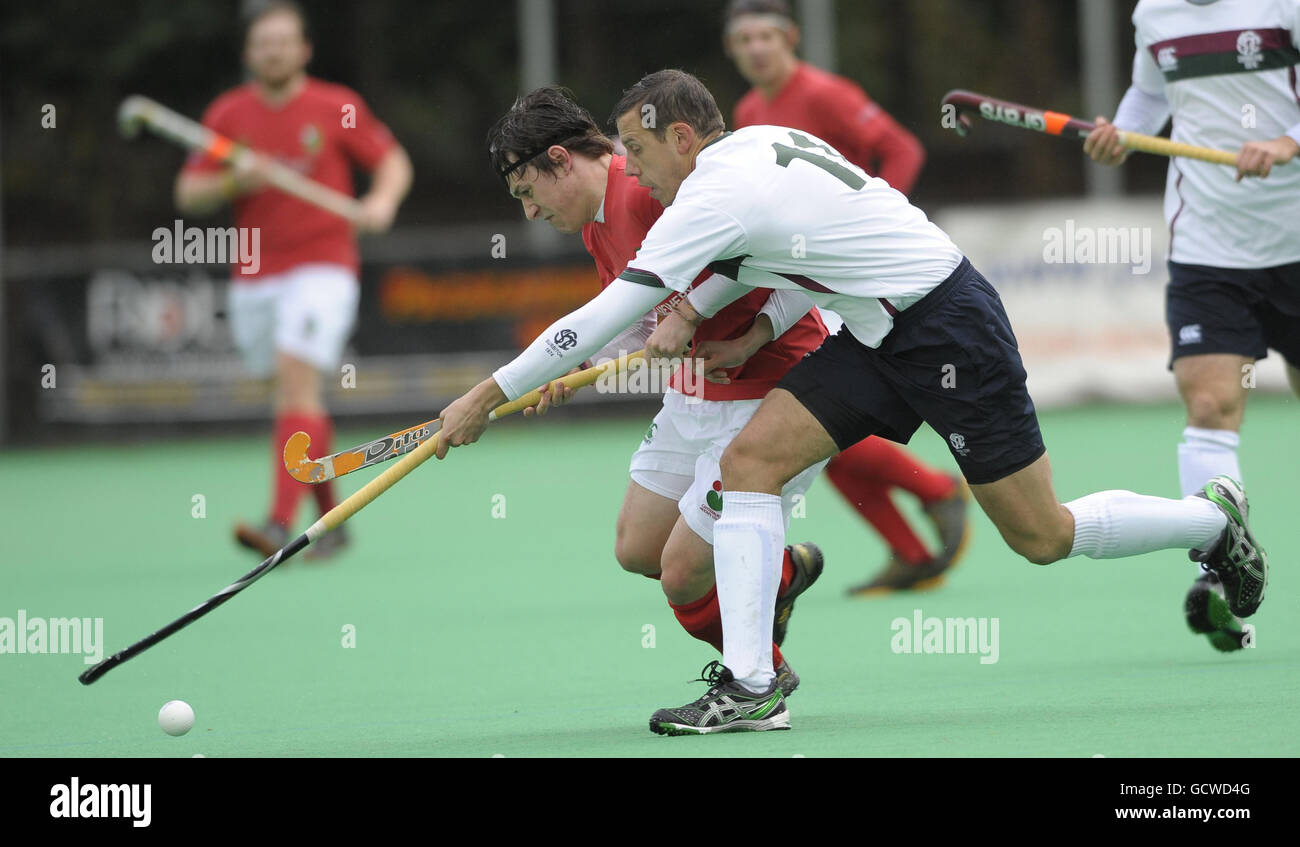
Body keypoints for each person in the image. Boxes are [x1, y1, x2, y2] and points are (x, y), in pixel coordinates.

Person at [438, 70, 1267, 735]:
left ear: (681, 137)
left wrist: (483, 395)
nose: (634, 167)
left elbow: (603, 317)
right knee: (750, 462)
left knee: (1041, 534)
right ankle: (753, 685)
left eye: (638, 149)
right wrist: (712, 316)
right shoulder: (755, 146)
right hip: (872, 332)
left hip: (947, 324)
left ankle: (1212, 523)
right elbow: (767, 250)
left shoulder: (707, 195)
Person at [486, 86, 829, 695]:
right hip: (694, 394)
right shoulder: (596, 225)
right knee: (639, 548)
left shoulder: (651, 192)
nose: (531, 213)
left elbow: (791, 258)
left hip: (768, 392)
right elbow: (638, 323)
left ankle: (758, 678)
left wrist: (743, 333)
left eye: (527, 192)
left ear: (561, 160)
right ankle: (778, 576)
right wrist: (578, 366)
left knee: (681, 574)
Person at [725, 0, 969, 593]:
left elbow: (905, 147)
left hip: (854, 278)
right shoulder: (750, 110)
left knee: (824, 439)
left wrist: (884, 216)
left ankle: (937, 491)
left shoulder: (826, 93)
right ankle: (914, 553)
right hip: (809, 283)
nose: (756, 48)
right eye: (744, 40)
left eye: (767, 36)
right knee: (827, 449)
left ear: (792, 38)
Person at [1083, 0, 1298, 652]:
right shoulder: (1154, 13)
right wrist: (1122, 132)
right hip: (1210, 247)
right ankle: (1220, 570)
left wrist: (1289, 141)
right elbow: (1149, 97)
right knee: (1209, 400)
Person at [175, 0, 412, 561]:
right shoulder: (228, 116)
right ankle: (334, 521)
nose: (274, 50)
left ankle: (280, 525)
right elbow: (188, 193)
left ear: (304, 49)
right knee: (294, 397)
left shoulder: (337, 107)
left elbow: (393, 160)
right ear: (248, 53)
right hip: (255, 275)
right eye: (264, 42)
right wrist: (237, 176)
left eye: (284, 41)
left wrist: (380, 201)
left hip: (323, 268)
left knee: (295, 383)